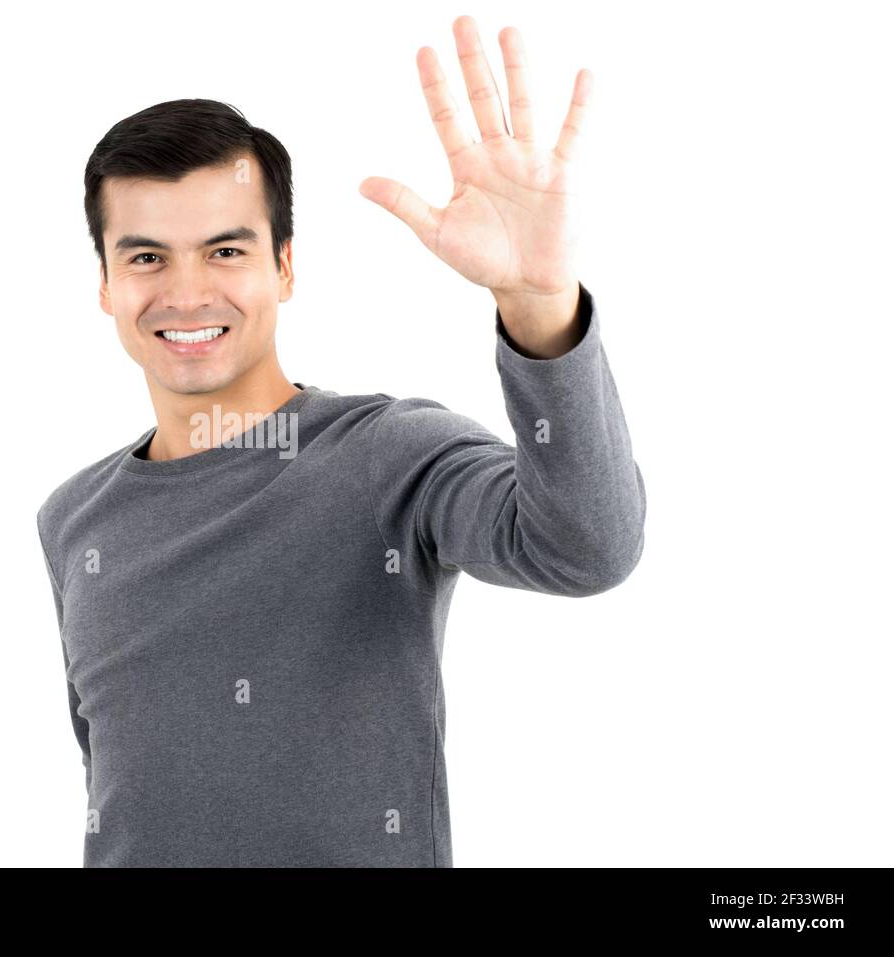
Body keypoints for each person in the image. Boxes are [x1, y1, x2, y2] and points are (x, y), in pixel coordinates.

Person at [36, 15, 646, 867]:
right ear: (104, 283)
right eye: (145, 258)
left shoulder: (389, 454)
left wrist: (539, 306)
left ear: (284, 267)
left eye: (224, 250)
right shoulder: (72, 518)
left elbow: (588, 546)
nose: (185, 291)